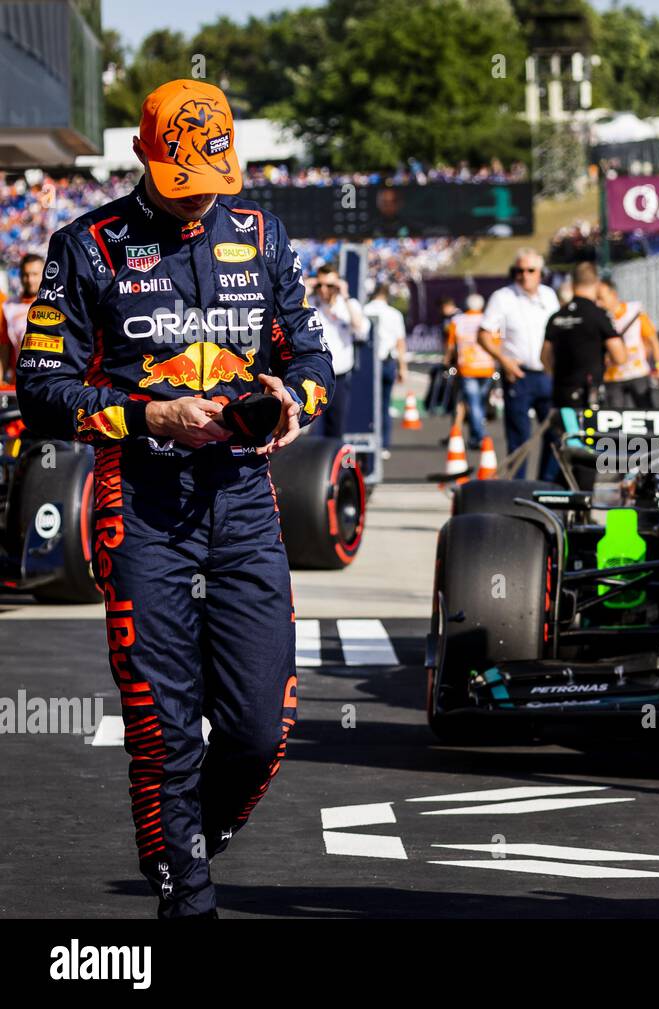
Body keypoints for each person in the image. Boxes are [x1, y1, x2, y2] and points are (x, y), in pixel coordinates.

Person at [15, 78, 334, 918]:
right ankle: (186, 895)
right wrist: (146, 412)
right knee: (162, 730)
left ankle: (178, 839)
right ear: (144, 159)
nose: (200, 200)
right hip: (140, 504)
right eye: (184, 180)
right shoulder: (87, 246)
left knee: (262, 729)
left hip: (243, 500)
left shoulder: (263, 234)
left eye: (213, 180)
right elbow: (40, 388)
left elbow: (311, 355)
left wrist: (297, 400)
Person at [478, 249, 560, 457]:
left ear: (540, 272)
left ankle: (548, 484)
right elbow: (484, 334)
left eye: (530, 270)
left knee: (555, 434)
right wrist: (504, 361)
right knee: (519, 439)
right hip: (518, 374)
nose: (524, 276)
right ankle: (518, 486)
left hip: (546, 374)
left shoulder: (549, 296)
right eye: (519, 271)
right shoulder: (503, 297)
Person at [542, 261, 625, 410]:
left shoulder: (557, 316)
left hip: (561, 392)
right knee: (589, 433)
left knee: (568, 433)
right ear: (597, 283)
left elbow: (544, 357)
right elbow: (619, 357)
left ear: (573, 283)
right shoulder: (599, 315)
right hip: (589, 394)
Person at [309, 262, 368, 440]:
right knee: (311, 429)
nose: (324, 290)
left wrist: (345, 295)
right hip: (313, 375)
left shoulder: (348, 305)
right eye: (320, 285)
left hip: (338, 376)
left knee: (335, 428)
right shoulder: (310, 303)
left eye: (330, 285)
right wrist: (305, 287)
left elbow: (361, 330)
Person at [599, 278, 659, 409]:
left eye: (601, 297)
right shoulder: (599, 316)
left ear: (613, 294)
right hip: (612, 377)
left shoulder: (635, 312)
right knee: (615, 420)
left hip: (638, 373)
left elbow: (653, 341)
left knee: (645, 413)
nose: (599, 302)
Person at [363, 283, 408, 459]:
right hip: (387, 361)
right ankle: (383, 445)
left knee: (366, 404)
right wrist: (403, 367)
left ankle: (366, 443)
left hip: (368, 363)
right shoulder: (394, 314)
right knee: (384, 404)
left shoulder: (364, 310)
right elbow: (400, 342)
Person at [445, 293, 495, 448]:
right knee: (478, 402)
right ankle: (476, 435)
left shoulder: (457, 321)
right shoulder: (490, 320)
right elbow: (498, 342)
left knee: (474, 403)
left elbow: (451, 346)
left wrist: (447, 361)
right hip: (487, 366)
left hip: (467, 367)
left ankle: (479, 435)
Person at [0, 253, 43, 384]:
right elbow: (4, 348)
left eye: (35, 274)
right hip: (21, 384)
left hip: (52, 382)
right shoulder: (8, 307)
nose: (30, 280)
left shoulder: (58, 304)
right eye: (26, 274)